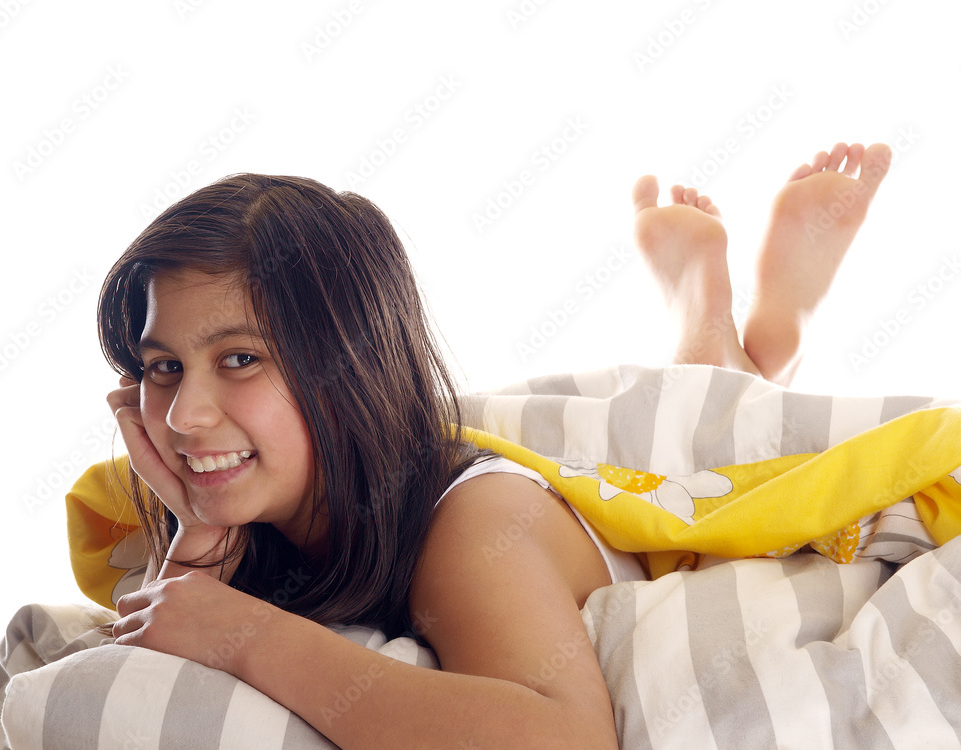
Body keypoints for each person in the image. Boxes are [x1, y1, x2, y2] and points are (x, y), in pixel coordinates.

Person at [103, 141, 891, 748]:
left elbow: (563, 739)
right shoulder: (253, 522)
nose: (180, 417)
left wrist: (250, 637)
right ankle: (714, 333)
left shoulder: (473, 526)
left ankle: (728, 326)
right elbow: (153, 663)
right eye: (163, 367)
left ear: (348, 364)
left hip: (626, 490)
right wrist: (198, 532)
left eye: (239, 359)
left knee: (696, 436)